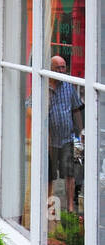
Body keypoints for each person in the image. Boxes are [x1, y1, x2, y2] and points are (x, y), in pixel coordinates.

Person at [47, 55, 84, 212]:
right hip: (50, 140)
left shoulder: (68, 86)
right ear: (51, 69)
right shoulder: (43, 85)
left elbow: (76, 109)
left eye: (64, 67)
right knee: (49, 175)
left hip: (66, 138)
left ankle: (69, 207)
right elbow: (29, 108)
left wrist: (81, 130)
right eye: (59, 67)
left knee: (69, 173)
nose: (62, 70)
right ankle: (50, 205)